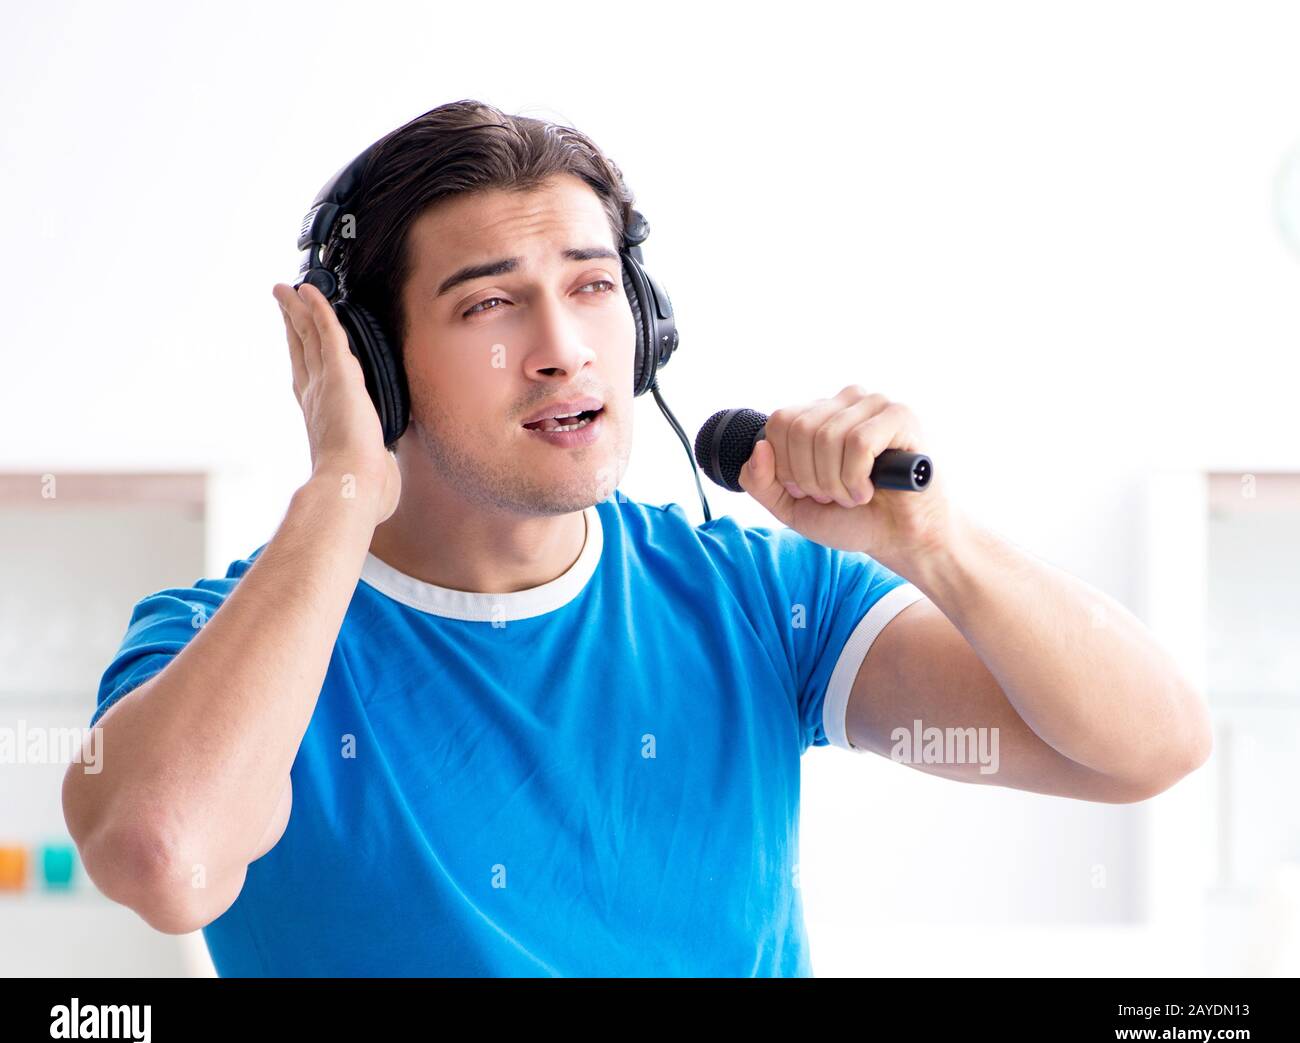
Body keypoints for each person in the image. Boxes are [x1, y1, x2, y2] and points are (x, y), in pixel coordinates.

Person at [63, 100, 1213, 978]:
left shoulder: (754, 598)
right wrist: (340, 488)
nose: (564, 347)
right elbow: (163, 859)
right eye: (489, 304)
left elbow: (1144, 748)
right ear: (373, 361)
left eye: (594, 287)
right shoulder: (230, 637)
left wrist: (935, 546)